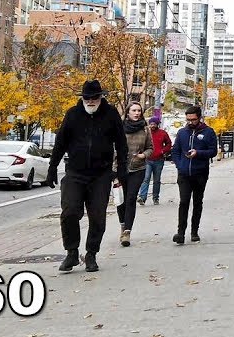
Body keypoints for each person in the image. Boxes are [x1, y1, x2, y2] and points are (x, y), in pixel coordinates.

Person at [47, 79, 128, 273]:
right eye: (87, 98)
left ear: (101, 97)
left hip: (101, 174)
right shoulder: (73, 115)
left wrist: (121, 170)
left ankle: (91, 253)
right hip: (75, 172)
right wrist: (52, 167)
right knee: (69, 212)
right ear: (82, 98)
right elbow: (60, 142)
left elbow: (121, 144)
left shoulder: (111, 115)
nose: (91, 101)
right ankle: (72, 252)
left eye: (94, 97)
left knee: (98, 216)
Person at [170, 106, 217, 244]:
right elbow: (175, 151)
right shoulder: (182, 133)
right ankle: (180, 233)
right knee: (184, 202)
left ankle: (194, 231)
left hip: (200, 173)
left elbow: (213, 151)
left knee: (197, 202)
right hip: (184, 174)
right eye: (188, 119)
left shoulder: (208, 132)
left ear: (199, 118)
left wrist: (199, 153)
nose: (190, 122)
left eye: (193, 119)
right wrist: (180, 165)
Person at [115, 102, 152, 247]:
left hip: (138, 168)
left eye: (139, 111)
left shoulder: (145, 129)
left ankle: (127, 232)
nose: (137, 113)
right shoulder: (119, 128)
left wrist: (144, 155)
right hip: (119, 168)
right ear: (128, 112)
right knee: (121, 200)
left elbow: (150, 148)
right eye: (134, 110)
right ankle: (123, 225)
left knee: (131, 198)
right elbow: (112, 148)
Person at [137, 114, 172, 205]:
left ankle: (155, 198)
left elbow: (169, 144)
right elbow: (140, 143)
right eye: (151, 124)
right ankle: (142, 197)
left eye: (154, 124)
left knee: (157, 180)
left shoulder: (163, 133)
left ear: (157, 124)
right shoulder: (146, 133)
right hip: (147, 159)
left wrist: (162, 151)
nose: (152, 125)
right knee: (146, 178)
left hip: (159, 160)